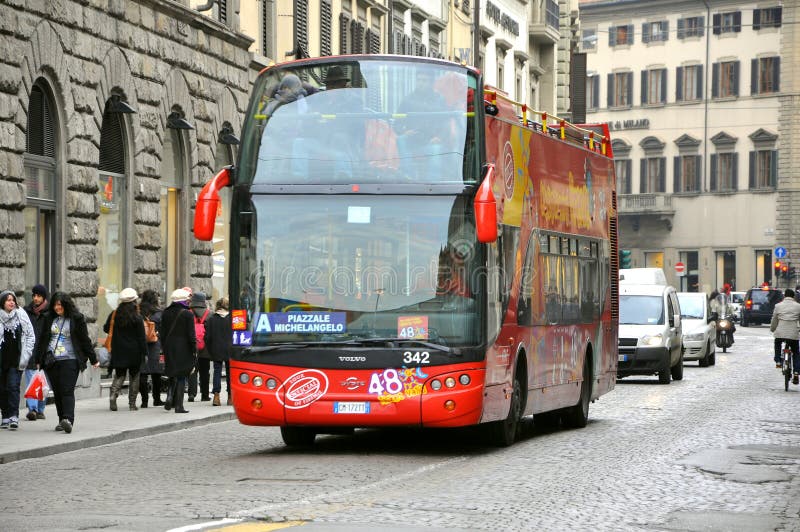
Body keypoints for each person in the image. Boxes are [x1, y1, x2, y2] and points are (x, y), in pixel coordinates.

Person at [35, 291, 98, 433]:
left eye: (60, 305)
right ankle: (61, 420)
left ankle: (68, 419)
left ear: (66, 305)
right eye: (55, 305)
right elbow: (42, 340)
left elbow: (84, 340)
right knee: (57, 392)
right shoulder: (49, 318)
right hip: (52, 361)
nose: (57, 308)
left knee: (67, 390)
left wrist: (93, 359)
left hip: (70, 360)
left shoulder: (76, 318)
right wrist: (38, 359)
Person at [103, 287, 147, 411]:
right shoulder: (137, 317)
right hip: (135, 351)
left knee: (119, 374)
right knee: (134, 376)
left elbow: (106, 328)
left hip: (118, 350)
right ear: (134, 301)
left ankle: (113, 395)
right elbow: (141, 337)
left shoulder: (114, 314)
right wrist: (145, 353)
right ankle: (132, 404)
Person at [0, 291, 36, 430]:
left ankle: (14, 416)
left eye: (13, 300)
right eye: (8, 300)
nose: (11, 302)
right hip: (2, 360)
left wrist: (26, 355)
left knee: (13, 386)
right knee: (2, 389)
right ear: (2, 302)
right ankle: (5, 416)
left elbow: (30, 336)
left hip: (16, 359)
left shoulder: (21, 314)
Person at [160, 288, 196, 414]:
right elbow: (191, 334)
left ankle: (170, 396)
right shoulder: (188, 314)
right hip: (183, 348)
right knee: (181, 375)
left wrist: (164, 348)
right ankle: (179, 406)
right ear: (184, 300)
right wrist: (194, 349)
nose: (189, 301)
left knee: (172, 372)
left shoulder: (165, 312)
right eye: (188, 299)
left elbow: (162, 333)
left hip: (169, 347)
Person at [23, 284, 48, 421]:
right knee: (31, 381)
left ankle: (40, 409)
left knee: (42, 382)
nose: (35, 298)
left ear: (43, 297)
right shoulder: (27, 311)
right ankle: (32, 409)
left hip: (44, 353)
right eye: (34, 295)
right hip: (30, 352)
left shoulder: (49, 313)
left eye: (38, 296)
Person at [138, 289, 164, 408]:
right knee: (156, 373)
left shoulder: (138, 311)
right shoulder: (159, 313)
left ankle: (144, 401)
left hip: (140, 344)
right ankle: (157, 399)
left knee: (143, 372)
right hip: (155, 344)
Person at [204, 297, 232, 406]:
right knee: (230, 373)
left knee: (217, 372)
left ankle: (216, 396)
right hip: (230, 350)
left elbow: (207, 337)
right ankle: (230, 397)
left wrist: (210, 349)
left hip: (216, 349)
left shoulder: (212, 319)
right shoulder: (232, 318)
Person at [770, 288, 800, 384]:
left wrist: (773, 329)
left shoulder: (778, 306)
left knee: (777, 342)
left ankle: (778, 360)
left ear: (784, 296)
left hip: (780, 333)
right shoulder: (798, 306)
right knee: (796, 352)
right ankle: (796, 372)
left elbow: (774, 319)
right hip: (793, 333)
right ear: (793, 296)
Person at [188, 292, 211, 402]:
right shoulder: (209, 314)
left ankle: (191, 394)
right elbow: (211, 333)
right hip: (205, 348)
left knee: (193, 370)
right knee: (204, 371)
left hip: (192, 347)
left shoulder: (188, 313)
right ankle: (205, 395)